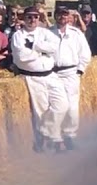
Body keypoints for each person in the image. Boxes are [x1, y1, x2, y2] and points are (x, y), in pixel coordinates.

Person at [11, 8, 69, 153]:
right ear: (24, 18)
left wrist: (35, 47)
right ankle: (45, 144)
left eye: (36, 17)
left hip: (50, 75)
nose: (33, 20)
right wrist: (42, 52)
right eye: (29, 17)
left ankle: (46, 132)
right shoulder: (18, 35)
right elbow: (21, 57)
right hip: (33, 77)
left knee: (62, 105)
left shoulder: (44, 32)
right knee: (40, 111)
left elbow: (54, 47)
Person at [53, 7, 92, 150]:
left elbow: (85, 54)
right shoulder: (48, 33)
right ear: (55, 16)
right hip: (53, 74)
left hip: (70, 73)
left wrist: (80, 70)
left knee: (71, 108)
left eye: (65, 14)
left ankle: (69, 135)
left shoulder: (76, 34)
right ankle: (56, 139)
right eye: (59, 14)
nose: (62, 17)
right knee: (55, 107)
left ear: (69, 17)